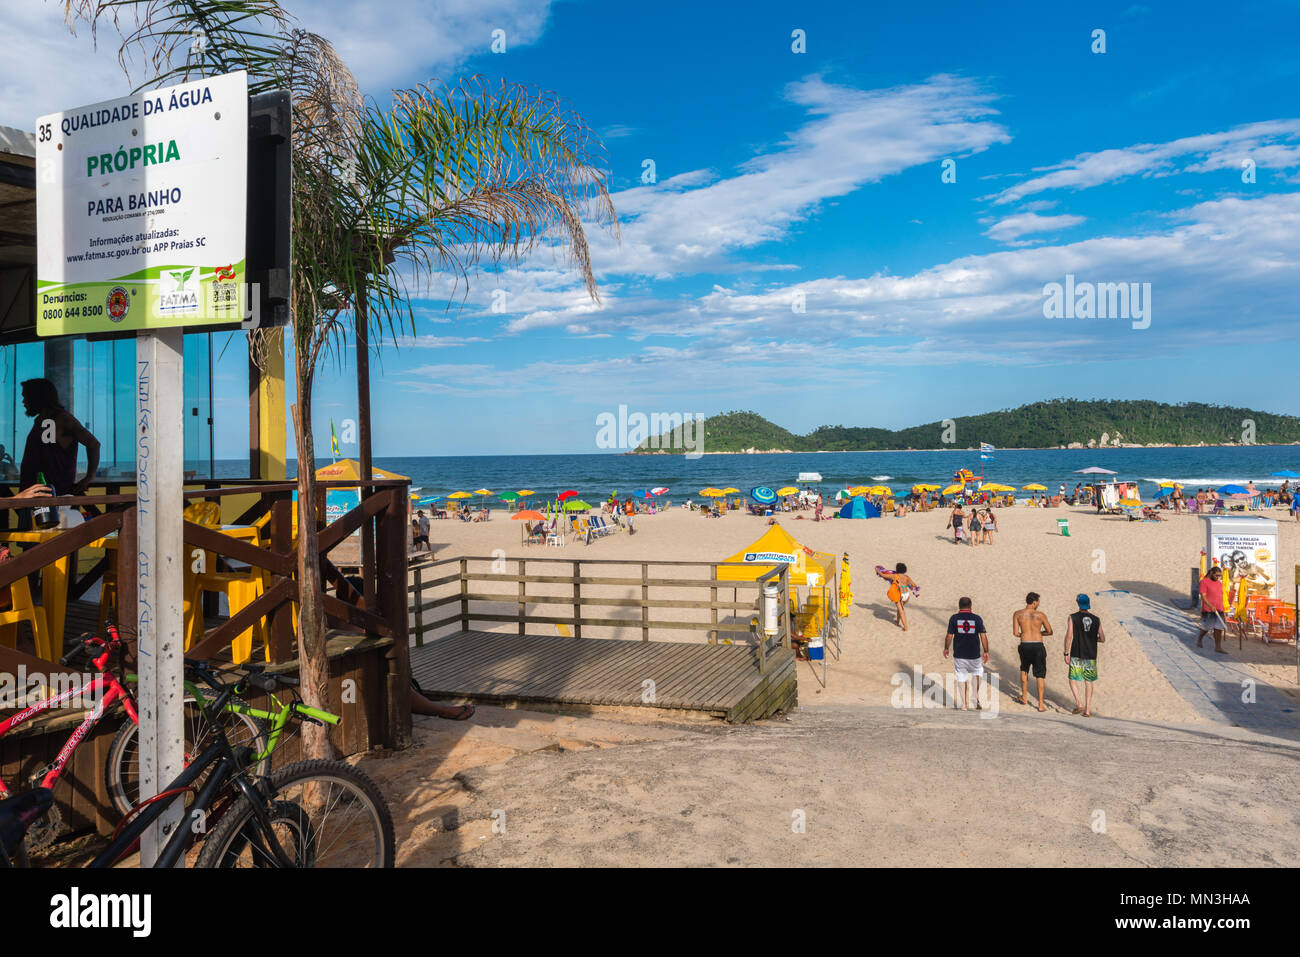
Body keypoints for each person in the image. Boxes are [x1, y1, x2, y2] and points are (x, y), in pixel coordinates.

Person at [18, 379, 99, 498]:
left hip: (54, 495)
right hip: (35, 494)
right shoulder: (42, 420)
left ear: (37, 397)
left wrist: (89, 477)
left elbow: (93, 443)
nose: (23, 401)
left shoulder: (62, 419)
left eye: (26, 397)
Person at [944, 597, 989, 710]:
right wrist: (986, 651)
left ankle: (964, 703)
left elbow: (950, 635)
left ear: (959, 606)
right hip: (974, 653)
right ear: (971, 606)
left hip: (959, 653)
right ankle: (974, 695)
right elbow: (983, 635)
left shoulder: (954, 618)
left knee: (961, 676)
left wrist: (946, 648)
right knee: (977, 673)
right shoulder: (977, 618)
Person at [1064, 594, 1105, 716]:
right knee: (1089, 681)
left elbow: (1069, 636)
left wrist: (1066, 652)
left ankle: (1079, 703)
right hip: (1091, 654)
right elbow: (1102, 638)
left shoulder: (1072, 617)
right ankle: (1087, 710)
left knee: (1073, 679)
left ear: (1078, 603)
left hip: (1077, 653)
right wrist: (1093, 639)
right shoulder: (1096, 619)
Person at [1013, 592, 1052, 711]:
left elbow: (1015, 633)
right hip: (1038, 645)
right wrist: (1039, 634)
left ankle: (1024, 697)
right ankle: (1040, 704)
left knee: (1024, 669)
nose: (1039, 604)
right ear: (1034, 602)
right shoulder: (1040, 615)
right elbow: (1050, 631)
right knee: (1040, 674)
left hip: (1025, 644)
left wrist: (1024, 635)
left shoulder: (1017, 614)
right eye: (1038, 602)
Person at [1196, 566, 1229, 653]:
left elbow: (1220, 595)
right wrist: (1210, 606)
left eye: (1219, 576)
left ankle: (1218, 647)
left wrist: (1223, 606)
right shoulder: (1204, 582)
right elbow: (1203, 596)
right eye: (1216, 575)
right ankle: (1199, 639)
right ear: (1211, 572)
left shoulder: (1219, 583)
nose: (1218, 577)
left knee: (1218, 629)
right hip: (1208, 610)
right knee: (1206, 628)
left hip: (1219, 609)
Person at [878, 563, 918, 631]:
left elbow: (883, 575)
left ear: (897, 569)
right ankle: (897, 621)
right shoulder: (907, 577)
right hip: (907, 595)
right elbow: (914, 585)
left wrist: (877, 570)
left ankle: (905, 627)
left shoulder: (894, 576)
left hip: (899, 595)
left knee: (901, 611)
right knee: (899, 609)